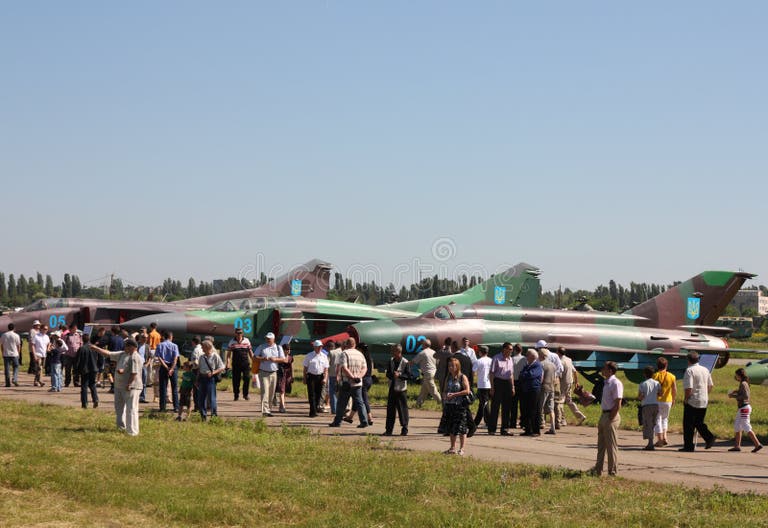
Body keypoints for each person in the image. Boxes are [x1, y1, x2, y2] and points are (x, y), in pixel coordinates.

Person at [90, 338, 144, 436]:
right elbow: (108, 353)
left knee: (131, 409)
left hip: (132, 387)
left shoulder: (135, 357)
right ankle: (121, 427)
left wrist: (129, 384)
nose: (125, 347)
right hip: (119, 386)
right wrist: (96, 348)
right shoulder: (122, 354)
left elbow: (134, 373)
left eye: (127, 345)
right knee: (119, 408)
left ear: (132, 347)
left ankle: (132, 431)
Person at [591, 361, 623, 476]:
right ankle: (598, 469)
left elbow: (618, 402)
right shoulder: (606, 383)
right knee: (601, 445)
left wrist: (611, 417)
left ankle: (612, 471)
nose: (602, 370)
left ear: (610, 371)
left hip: (611, 416)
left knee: (611, 446)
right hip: (604, 414)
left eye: (604, 368)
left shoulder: (615, 383)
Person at [679, 352, 716, 452]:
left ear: (688, 360)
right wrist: (705, 394)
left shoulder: (689, 370)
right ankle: (709, 437)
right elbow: (711, 385)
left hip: (693, 400)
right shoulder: (705, 369)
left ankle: (688, 446)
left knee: (688, 425)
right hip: (703, 399)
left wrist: (686, 398)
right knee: (699, 422)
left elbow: (689, 387)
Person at [329, 338, 368, 429]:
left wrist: (351, 377)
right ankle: (364, 421)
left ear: (346, 344)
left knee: (341, 403)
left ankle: (337, 422)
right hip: (358, 384)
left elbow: (344, 368)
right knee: (360, 402)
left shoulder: (344, 353)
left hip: (347, 382)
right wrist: (358, 377)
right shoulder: (360, 354)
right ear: (354, 344)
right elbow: (364, 368)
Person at [727, 368, 763, 453]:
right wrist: (736, 392)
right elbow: (742, 393)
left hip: (744, 408)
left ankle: (757, 444)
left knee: (746, 426)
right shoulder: (743, 383)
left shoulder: (743, 383)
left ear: (739, 375)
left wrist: (733, 396)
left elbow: (745, 396)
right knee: (737, 426)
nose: (735, 377)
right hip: (742, 408)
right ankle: (737, 446)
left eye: (736, 375)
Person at [254, 332, 287, 417]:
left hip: (273, 372)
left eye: (269, 338)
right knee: (265, 391)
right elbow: (255, 357)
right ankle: (265, 411)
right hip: (263, 372)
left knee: (271, 393)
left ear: (273, 339)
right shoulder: (261, 347)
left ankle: (269, 409)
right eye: (267, 338)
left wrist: (275, 359)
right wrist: (263, 358)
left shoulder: (278, 348)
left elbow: (283, 359)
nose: (268, 340)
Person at [443, 357, 471, 455]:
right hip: (450, 405)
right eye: (449, 366)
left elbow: (467, 390)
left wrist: (454, 395)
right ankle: (452, 448)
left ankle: (462, 449)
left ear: (457, 366)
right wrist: (445, 396)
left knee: (462, 428)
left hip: (460, 406)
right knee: (451, 427)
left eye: (452, 366)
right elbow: (445, 390)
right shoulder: (448, 377)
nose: (450, 368)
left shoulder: (462, 377)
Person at [488, 342, 515, 435]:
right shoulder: (496, 358)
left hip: (507, 383)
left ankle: (504, 429)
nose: (511, 351)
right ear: (504, 349)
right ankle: (492, 429)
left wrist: (512, 387)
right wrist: (492, 387)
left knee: (506, 407)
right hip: (498, 382)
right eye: (510, 349)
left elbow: (511, 374)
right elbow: (491, 373)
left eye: (512, 349)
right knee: (495, 406)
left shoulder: (510, 359)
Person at [555, 347, 586, 427]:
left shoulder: (560, 361)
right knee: (569, 401)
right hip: (569, 383)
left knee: (560, 402)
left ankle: (562, 420)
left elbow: (558, 374)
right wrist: (576, 382)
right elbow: (575, 372)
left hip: (562, 384)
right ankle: (580, 416)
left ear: (558, 352)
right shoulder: (569, 359)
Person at [384, 344, 410, 436]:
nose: (392, 353)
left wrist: (400, 376)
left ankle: (404, 428)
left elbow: (409, 376)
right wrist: (392, 375)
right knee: (390, 410)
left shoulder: (405, 362)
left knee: (402, 410)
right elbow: (388, 374)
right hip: (392, 388)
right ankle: (388, 430)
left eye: (394, 351)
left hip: (401, 390)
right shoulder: (391, 361)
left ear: (399, 352)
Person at [197, 340, 225, 421]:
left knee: (211, 397)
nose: (202, 348)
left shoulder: (215, 356)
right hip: (202, 378)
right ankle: (203, 415)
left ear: (207, 347)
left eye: (203, 347)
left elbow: (222, 367)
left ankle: (214, 416)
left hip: (210, 379)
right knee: (201, 398)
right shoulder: (202, 357)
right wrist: (197, 379)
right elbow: (199, 368)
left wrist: (213, 373)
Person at [652, 356, 677, 447]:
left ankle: (660, 440)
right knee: (665, 419)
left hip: (657, 401)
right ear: (666, 365)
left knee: (657, 419)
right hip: (668, 400)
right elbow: (674, 389)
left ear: (657, 365)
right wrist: (673, 399)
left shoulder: (655, 376)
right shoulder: (672, 376)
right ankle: (665, 437)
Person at [518, 349, 543, 436]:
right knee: (526, 410)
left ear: (532, 356)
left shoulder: (537, 365)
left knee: (534, 410)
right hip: (526, 390)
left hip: (534, 390)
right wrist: (524, 374)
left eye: (527, 355)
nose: (526, 357)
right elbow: (520, 375)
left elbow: (531, 375)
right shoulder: (527, 365)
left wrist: (524, 374)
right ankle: (528, 429)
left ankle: (536, 430)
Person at [155, 331, 180, 413]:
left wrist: (166, 367)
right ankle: (176, 407)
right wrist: (172, 368)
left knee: (162, 388)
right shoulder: (174, 346)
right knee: (174, 388)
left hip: (163, 367)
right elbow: (175, 358)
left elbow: (159, 358)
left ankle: (162, 407)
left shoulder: (160, 345)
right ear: (171, 337)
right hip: (173, 367)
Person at [412, 338, 441, 407]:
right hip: (434, 372)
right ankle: (418, 404)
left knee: (433, 390)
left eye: (422, 344)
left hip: (428, 373)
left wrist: (405, 363)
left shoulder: (422, 353)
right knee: (424, 390)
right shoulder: (434, 352)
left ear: (424, 345)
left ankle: (442, 402)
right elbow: (438, 363)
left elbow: (413, 362)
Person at [303, 340, 329, 417]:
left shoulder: (324, 356)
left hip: (320, 377)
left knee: (318, 395)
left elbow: (326, 369)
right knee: (311, 395)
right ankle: (312, 412)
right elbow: (305, 368)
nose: (319, 348)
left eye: (320, 347)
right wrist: (304, 378)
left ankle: (315, 408)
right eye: (317, 347)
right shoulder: (309, 355)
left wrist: (325, 378)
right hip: (311, 377)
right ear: (314, 347)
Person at [226, 328, 253, 401]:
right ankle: (236, 395)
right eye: (237, 333)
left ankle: (245, 394)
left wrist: (253, 361)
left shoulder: (246, 341)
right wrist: (227, 363)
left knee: (247, 378)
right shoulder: (232, 342)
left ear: (242, 333)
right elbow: (228, 354)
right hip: (236, 364)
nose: (239, 334)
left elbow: (250, 352)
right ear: (235, 333)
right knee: (236, 380)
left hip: (245, 363)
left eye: (240, 333)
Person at [638, 366, 660, 450]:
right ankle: (651, 441)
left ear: (644, 374)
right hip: (655, 405)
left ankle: (650, 443)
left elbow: (641, 396)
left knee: (648, 424)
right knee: (653, 423)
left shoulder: (643, 384)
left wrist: (640, 397)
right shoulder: (657, 383)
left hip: (647, 405)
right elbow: (660, 393)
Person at [76, 333, 100, 408]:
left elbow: (78, 360)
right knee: (92, 385)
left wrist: (76, 371)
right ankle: (95, 399)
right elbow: (97, 358)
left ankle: (84, 403)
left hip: (85, 370)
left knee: (84, 387)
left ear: (82, 339)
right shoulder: (94, 348)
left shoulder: (82, 348)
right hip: (94, 368)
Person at [473, 345, 492, 427]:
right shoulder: (491, 360)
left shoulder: (478, 361)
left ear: (480, 352)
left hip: (482, 384)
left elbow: (473, 372)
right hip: (490, 384)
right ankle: (478, 422)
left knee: (484, 404)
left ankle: (488, 422)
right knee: (483, 403)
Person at [276, 342, 294, 413]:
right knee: (282, 390)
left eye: (289, 349)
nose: (288, 351)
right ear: (283, 350)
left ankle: (280, 406)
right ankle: (283, 406)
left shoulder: (290, 358)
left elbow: (291, 367)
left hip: (287, 375)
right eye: (286, 349)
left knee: (284, 391)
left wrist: (292, 376)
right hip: (281, 375)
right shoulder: (280, 357)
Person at [326, 340, 343, 414]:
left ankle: (334, 409)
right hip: (342, 375)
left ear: (335, 345)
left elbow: (327, 364)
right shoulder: (343, 352)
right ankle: (341, 409)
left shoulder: (331, 352)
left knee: (332, 392)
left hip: (332, 374)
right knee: (341, 393)